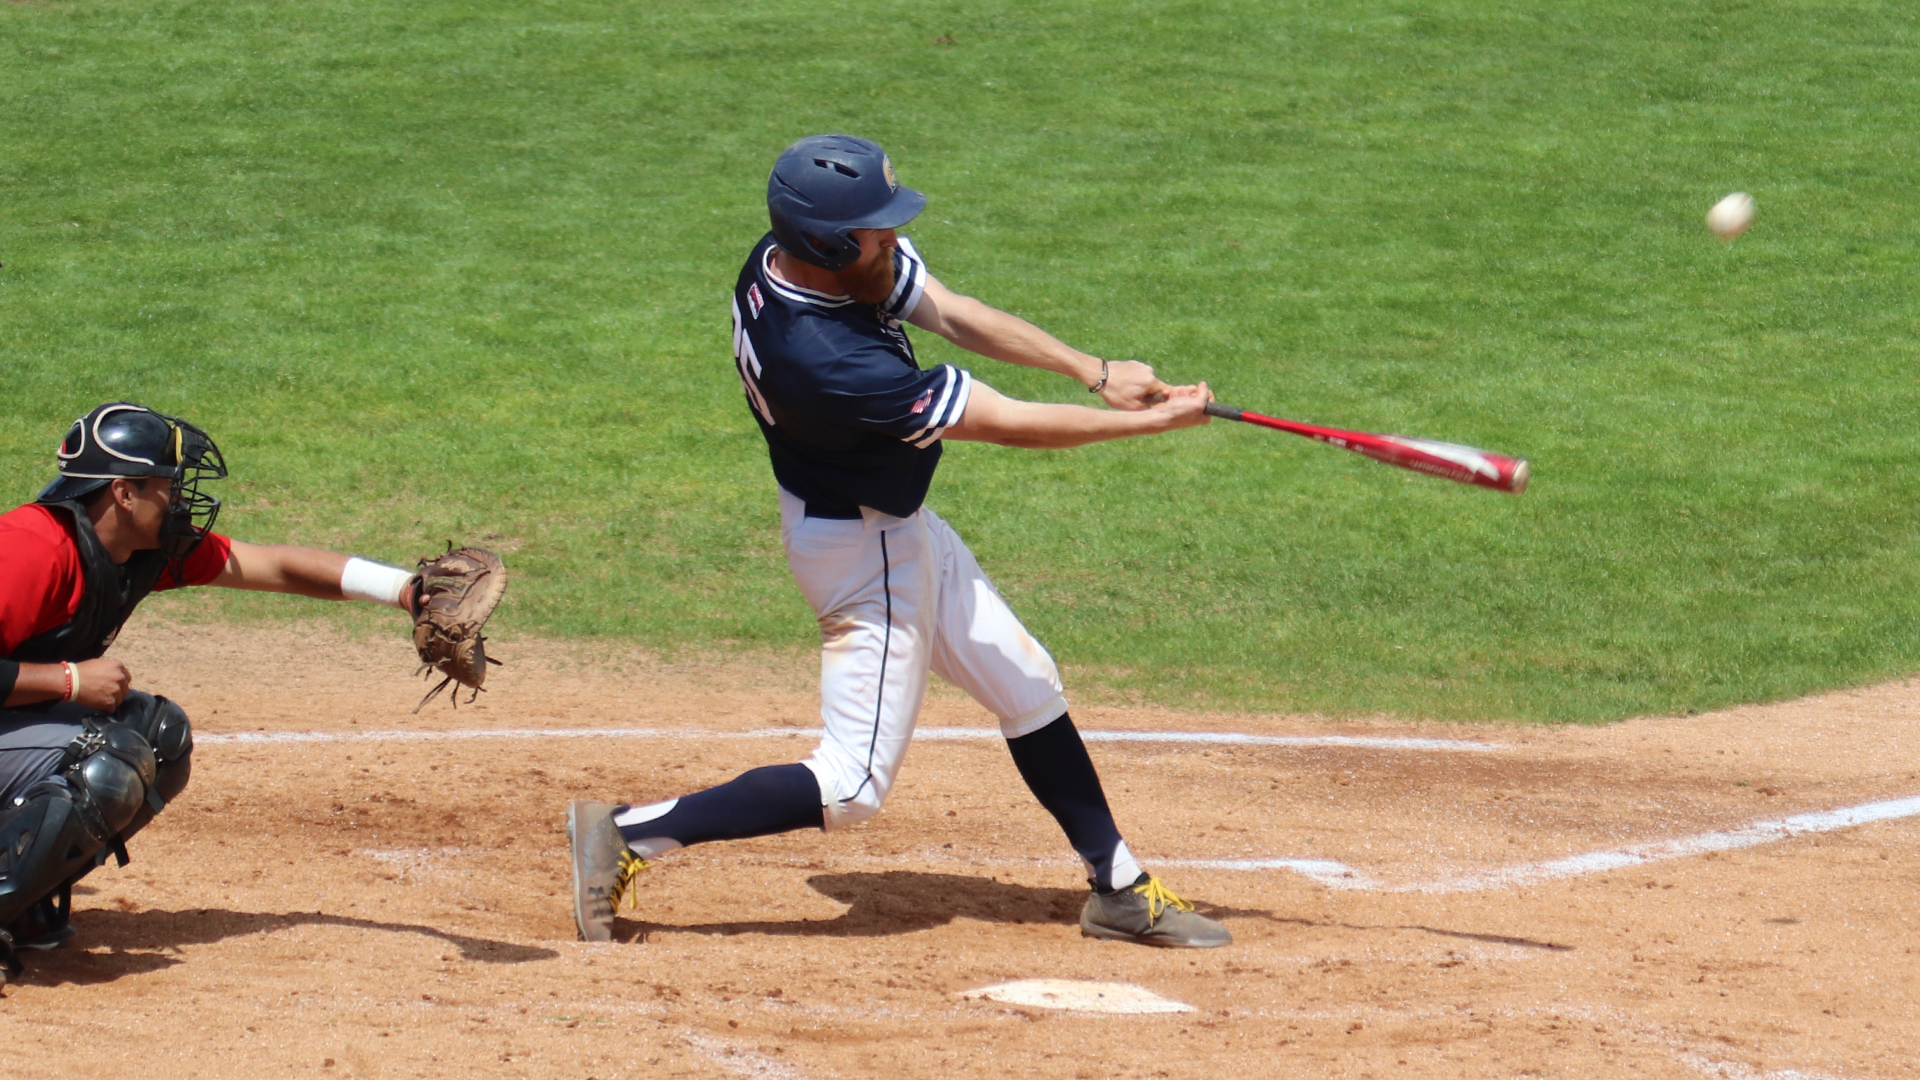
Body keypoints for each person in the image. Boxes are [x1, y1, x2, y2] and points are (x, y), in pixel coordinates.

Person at [568, 134, 1230, 949]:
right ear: (828, 244)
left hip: (888, 526)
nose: (895, 240)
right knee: (849, 786)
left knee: (1027, 684)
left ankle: (1118, 887)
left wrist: (1092, 369)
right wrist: (1155, 422)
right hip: (862, 553)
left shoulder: (794, 259)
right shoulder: (824, 362)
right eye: (877, 231)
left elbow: (947, 311)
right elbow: (1009, 425)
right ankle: (627, 833)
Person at [0, 402, 460, 976]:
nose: (182, 499)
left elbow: (269, 565)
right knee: (105, 764)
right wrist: (68, 680)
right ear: (123, 492)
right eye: (170, 484)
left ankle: (20, 906)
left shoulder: (138, 553)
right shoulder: (31, 548)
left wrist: (405, 591)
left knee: (157, 737)